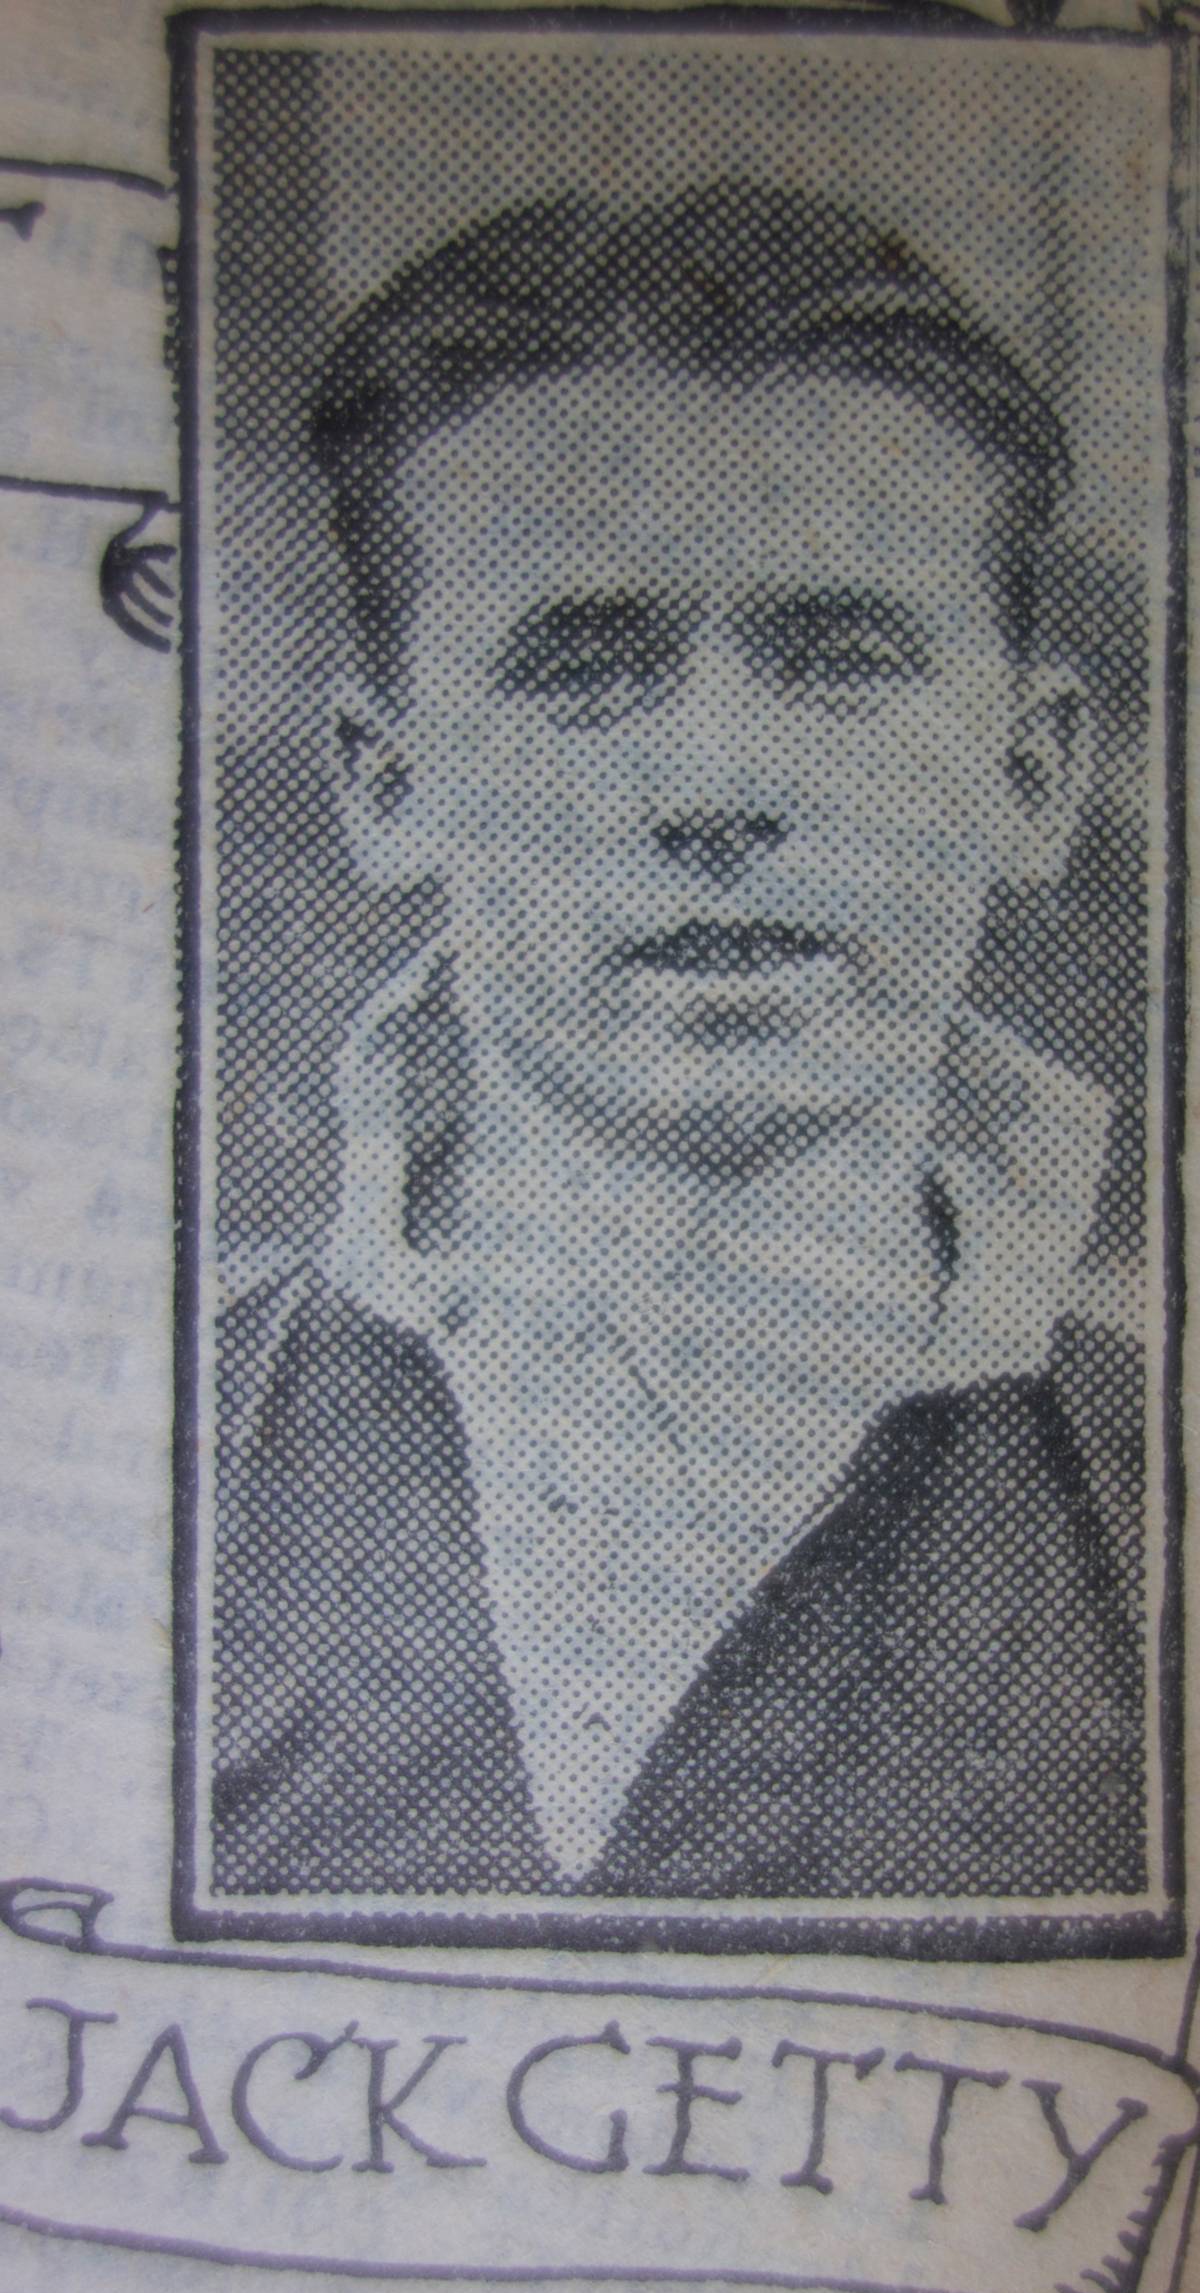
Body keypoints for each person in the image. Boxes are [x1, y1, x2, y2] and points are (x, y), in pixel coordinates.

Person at [210, 185, 1145, 1906]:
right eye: (586, 669)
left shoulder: (1150, 1487)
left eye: (841, 662)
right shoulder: (128, 1459)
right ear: (385, 780)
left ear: (1033, 776)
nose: (719, 790)